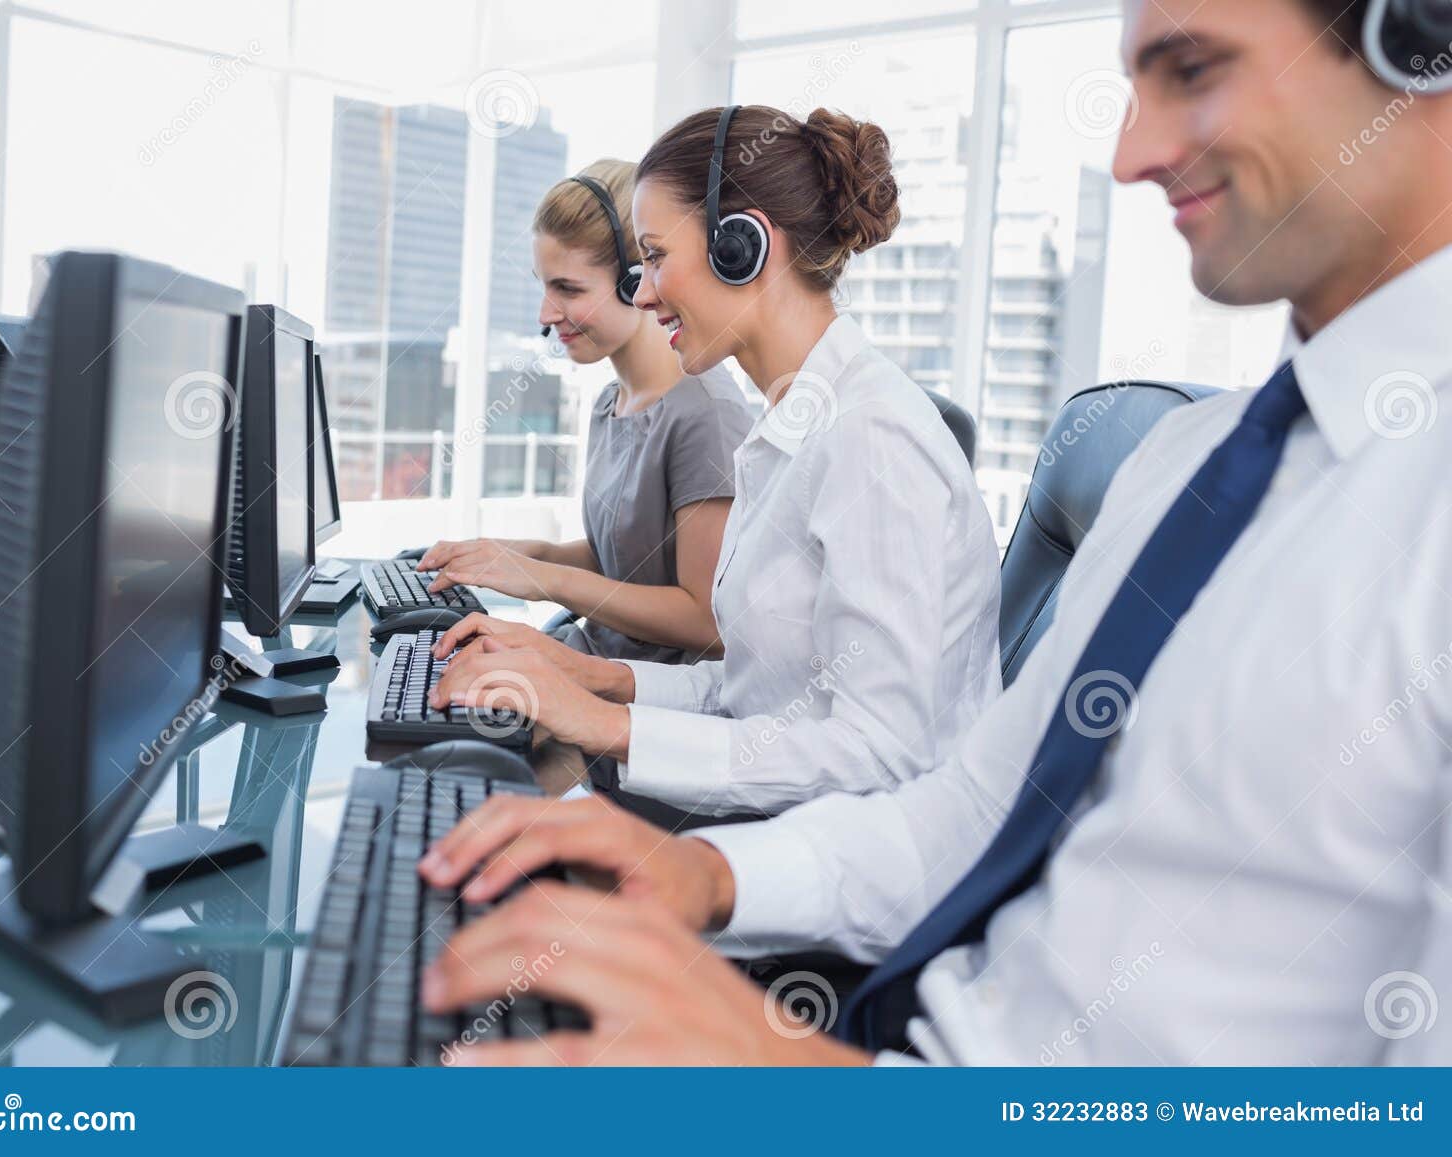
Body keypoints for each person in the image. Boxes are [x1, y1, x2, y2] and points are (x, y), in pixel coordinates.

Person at [416, 0, 1452, 1065]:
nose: (1130, 152)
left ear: (1417, 33)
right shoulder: (1185, 463)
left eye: (1192, 70)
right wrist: (708, 877)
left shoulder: (878, 439)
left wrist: (798, 1071)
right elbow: (968, 806)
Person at [427, 105, 1004, 819]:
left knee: (471, 867)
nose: (642, 291)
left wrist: (607, 724)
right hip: (787, 828)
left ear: (745, 245)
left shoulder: (872, 436)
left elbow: (880, 754)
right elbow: (747, 691)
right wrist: (584, 675)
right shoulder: (788, 426)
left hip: (863, 872)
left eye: (657, 257)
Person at [417, 160, 751, 665]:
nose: (545, 315)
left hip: (642, 705)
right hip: (589, 661)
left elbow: (707, 621)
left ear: (636, 281)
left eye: (568, 290)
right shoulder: (609, 403)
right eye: (545, 286)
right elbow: (620, 558)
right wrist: (501, 556)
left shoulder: (705, 414)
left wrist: (547, 580)